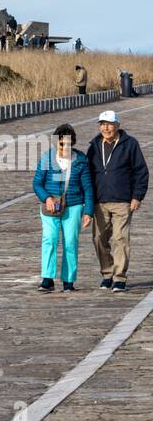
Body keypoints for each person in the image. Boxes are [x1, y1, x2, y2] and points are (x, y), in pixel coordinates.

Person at [86, 111, 148, 292]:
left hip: (123, 200)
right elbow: (87, 174)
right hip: (100, 200)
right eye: (102, 124)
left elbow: (141, 171)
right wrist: (87, 200)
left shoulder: (130, 144)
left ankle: (119, 277)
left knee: (120, 238)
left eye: (109, 124)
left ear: (117, 125)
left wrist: (137, 196)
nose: (106, 127)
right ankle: (107, 273)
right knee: (99, 238)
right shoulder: (94, 145)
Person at [33, 124, 93, 292]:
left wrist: (88, 212)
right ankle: (47, 279)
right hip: (50, 207)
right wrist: (47, 198)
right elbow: (37, 183)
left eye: (68, 143)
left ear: (72, 142)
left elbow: (88, 188)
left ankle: (68, 280)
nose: (64, 147)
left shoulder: (80, 160)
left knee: (71, 242)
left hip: (73, 206)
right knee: (49, 239)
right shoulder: (47, 158)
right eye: (61, 144)